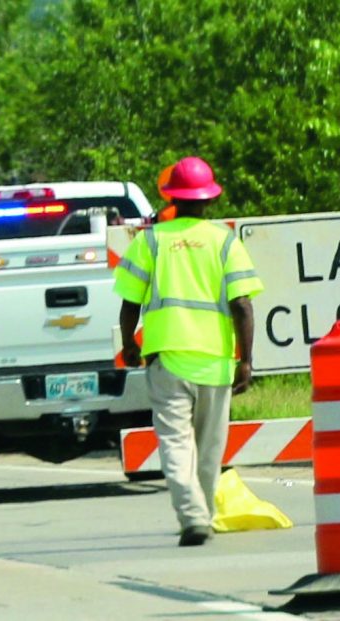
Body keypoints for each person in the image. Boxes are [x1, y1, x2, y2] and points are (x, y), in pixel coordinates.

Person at [113, 156, 263, 547]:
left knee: (175, 444)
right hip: (214, 360)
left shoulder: (150, 241)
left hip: (168, 359)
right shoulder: (224, 241)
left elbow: (130, 302)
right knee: (209, 448)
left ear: (171, 198)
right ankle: (203, 516)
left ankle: (193, 517)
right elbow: (243, 304)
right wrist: (245, 359)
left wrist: (130, 344)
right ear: (210, 199)